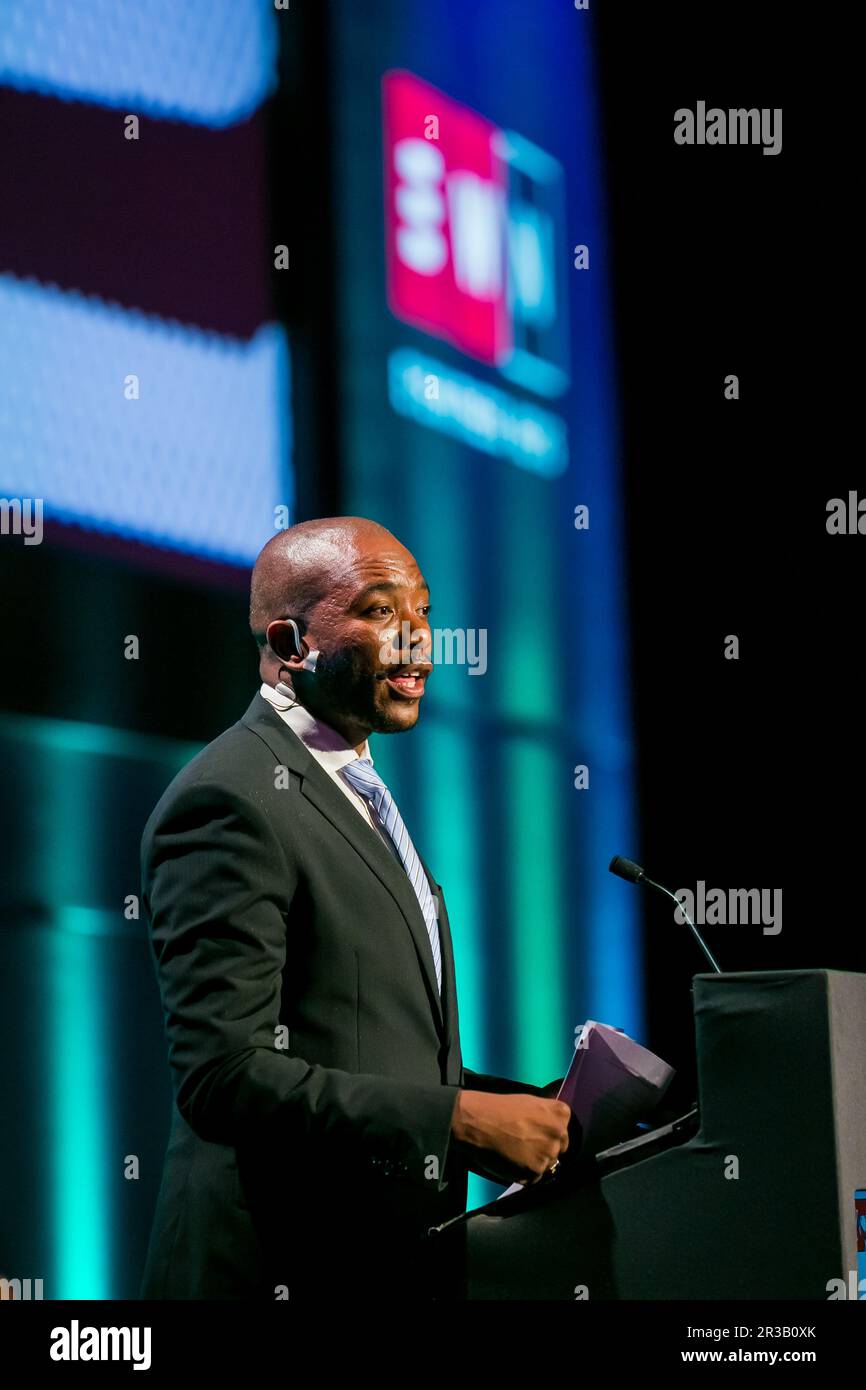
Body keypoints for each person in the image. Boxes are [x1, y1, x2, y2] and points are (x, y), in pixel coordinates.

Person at [139, 516, 573, 1300]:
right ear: (290, 640)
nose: (417, 641)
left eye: (424, 612)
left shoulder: (355, 785)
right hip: (277, 1267)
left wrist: (522, 1107)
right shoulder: (228, 799)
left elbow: (369, 1046)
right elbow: (224, 1074)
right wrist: (457, 1121)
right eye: (379, 612)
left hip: (385, 1264)